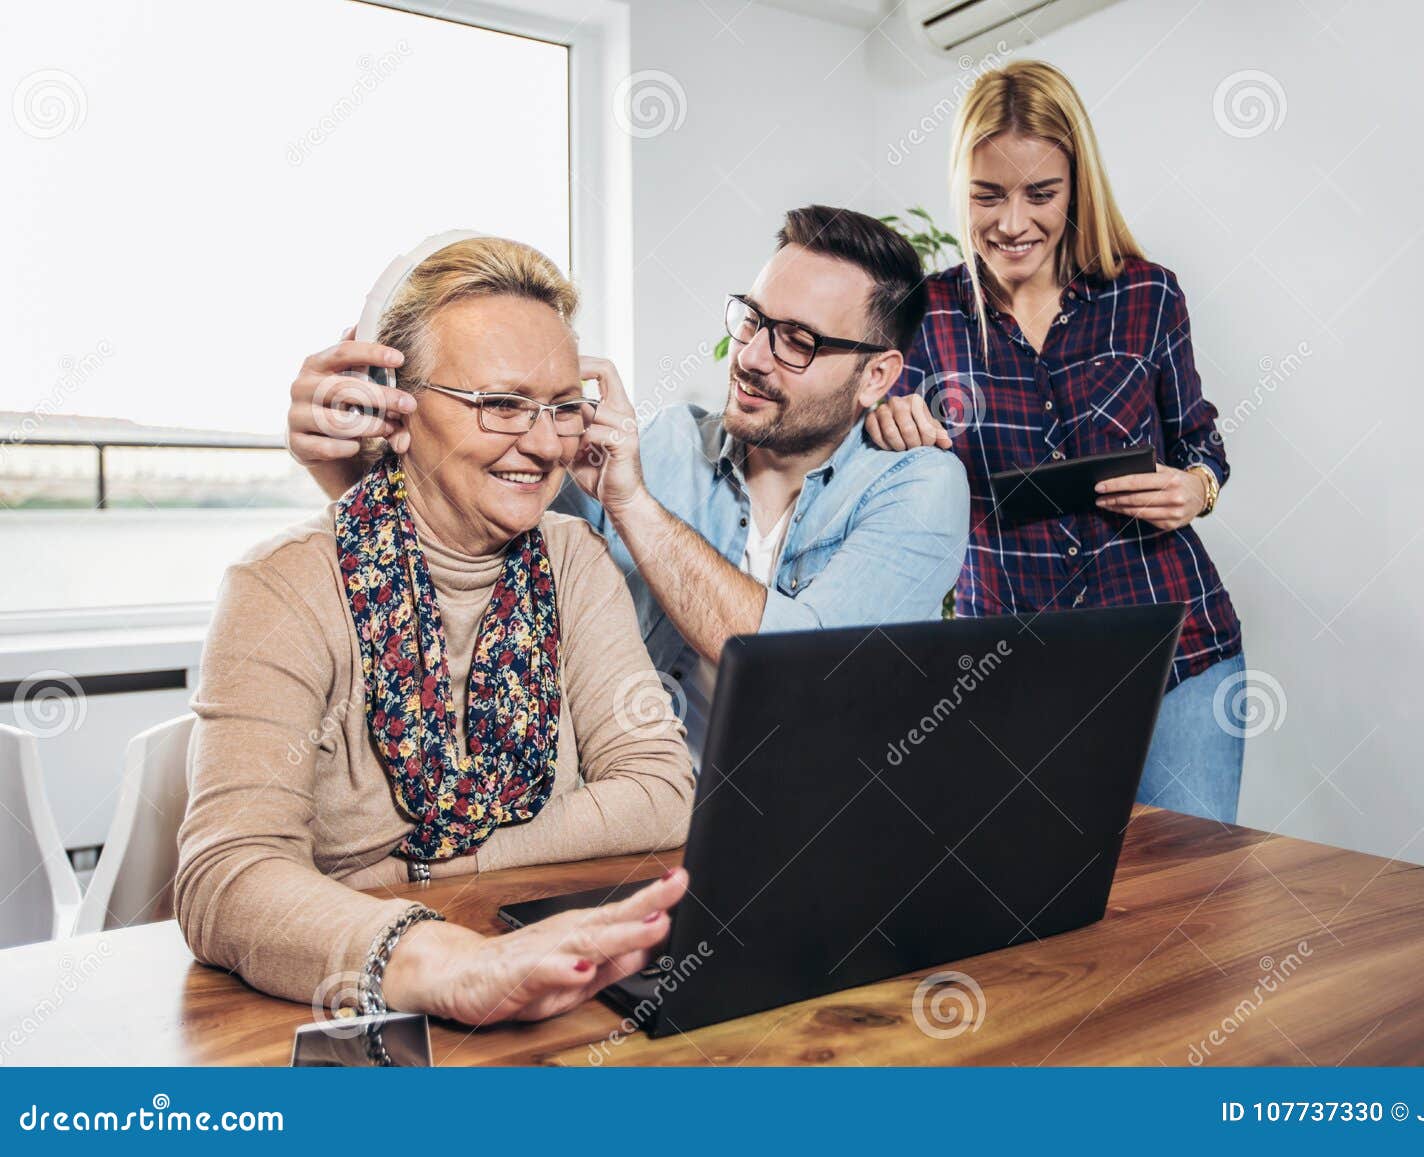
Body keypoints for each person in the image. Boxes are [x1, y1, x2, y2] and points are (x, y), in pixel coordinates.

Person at [177, 236, 695, 1024]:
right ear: (396, 412)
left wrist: (417, 868)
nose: (547, 441)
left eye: (561, 405)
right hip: (344, 1002)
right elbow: (229, 874)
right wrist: (439, 960)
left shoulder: (576, 561)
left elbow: (660, 793)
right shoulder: (281, 586)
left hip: (535, 963)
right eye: (502, 404)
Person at [291, 206, 971, 759]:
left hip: (814, 827)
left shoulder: (918, 485)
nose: (753, 357)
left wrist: (632, 503)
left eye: (798, 341)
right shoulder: (673, 440)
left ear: (878, 376)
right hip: (640, 812)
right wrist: (342, 458)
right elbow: (473, 545)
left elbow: (803, 665)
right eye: (754, 319)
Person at [865, 60, 1248, 824]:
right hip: (1010, 672)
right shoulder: (924, 314)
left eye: (1041, 194)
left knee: (1190, 909)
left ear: (1078, 187)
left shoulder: (1148, 295)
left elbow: (1203, 444)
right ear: (960, 187)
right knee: (1041, 921)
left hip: (1176, 653)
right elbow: (862, 467)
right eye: (987, 195)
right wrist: (880, 424)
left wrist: (1194, 488)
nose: (1013, 223)